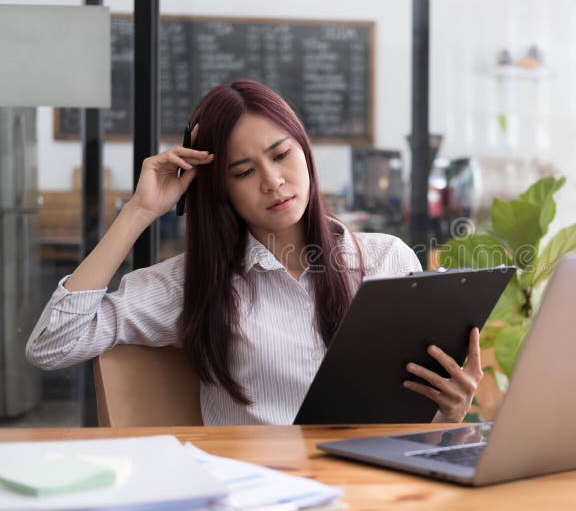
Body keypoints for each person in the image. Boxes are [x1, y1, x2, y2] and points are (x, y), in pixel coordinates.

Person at [25, 80, 483, 425]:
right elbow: (53, 343)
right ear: (220, 190)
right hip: (254, 488)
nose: (272, 181)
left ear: (304, 151)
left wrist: (451, 410)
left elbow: (412, 419)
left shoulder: (388, 259)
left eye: (281, 155)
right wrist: (138, 211)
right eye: (243, 172)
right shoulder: (194, 284)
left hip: (372, 486)